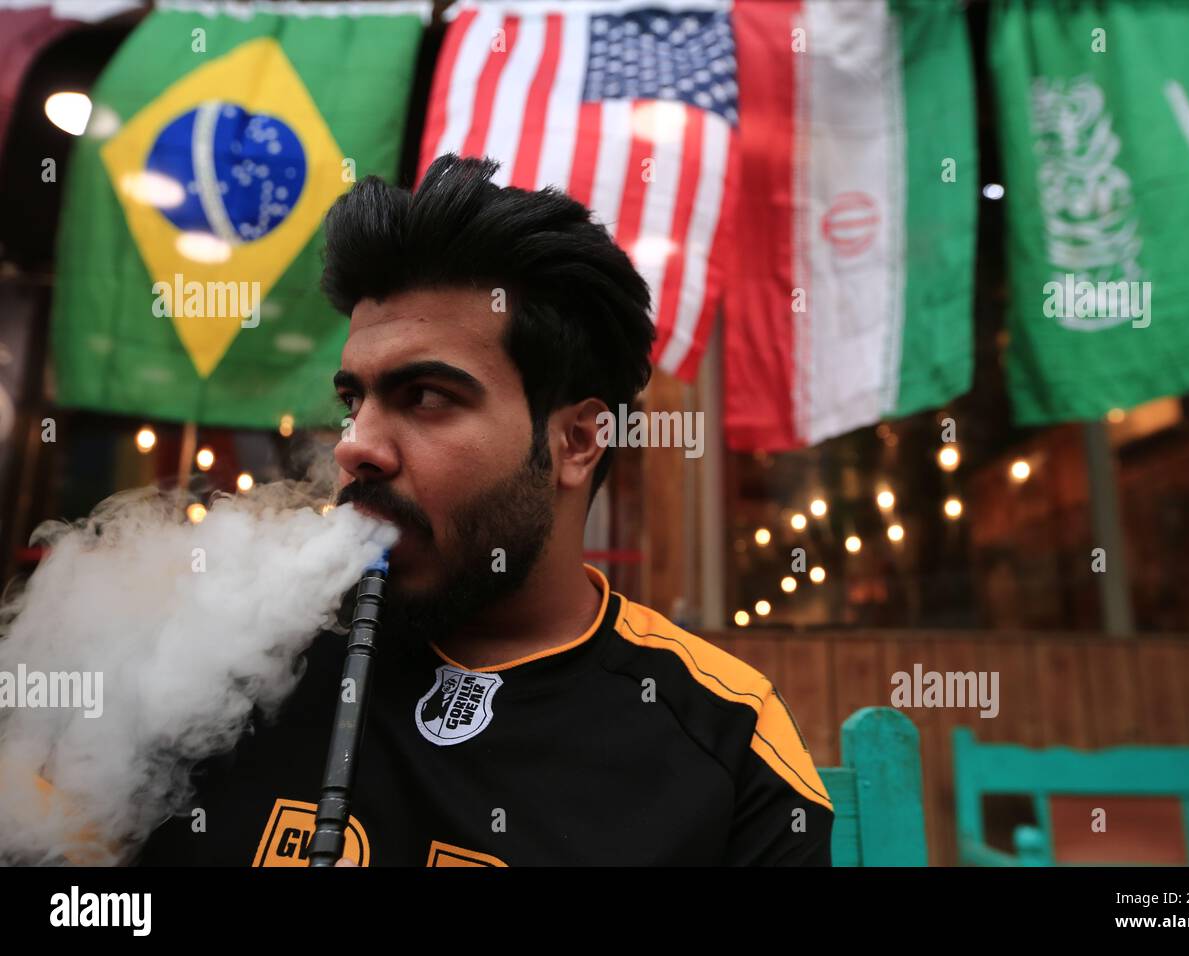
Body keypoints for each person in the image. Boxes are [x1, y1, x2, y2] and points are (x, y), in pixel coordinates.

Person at [135, 153, 834, 866]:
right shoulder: (235, 661)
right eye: (354, 401)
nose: (356, 447)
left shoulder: (722, 742)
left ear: (577, 442)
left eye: (426, 396)